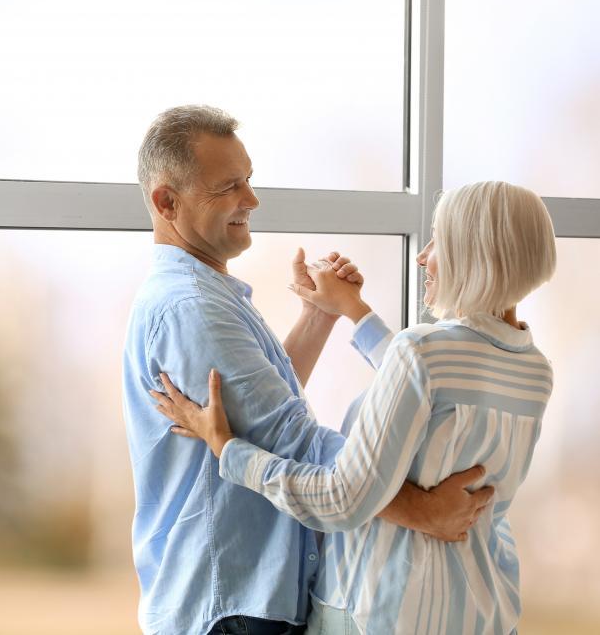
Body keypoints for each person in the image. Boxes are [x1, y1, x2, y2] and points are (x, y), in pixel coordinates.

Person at [123, 105, 492, 635]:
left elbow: (265, 415)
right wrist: (424, 511)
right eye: (228, 186)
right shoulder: (192, 309)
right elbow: (293, 442)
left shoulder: (207, 295)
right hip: (232, 605)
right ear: (167, 202)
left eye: (248, 180)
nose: (251, 199)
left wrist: (319, 316)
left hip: (242, 600)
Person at [153, 180, 556, 635]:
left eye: (438, 241)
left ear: (474, 254)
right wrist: (352, 310)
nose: (423, 257)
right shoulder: (535, 370)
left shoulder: (422, 354)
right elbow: (438, 389)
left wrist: (227, 448)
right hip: (485, 610)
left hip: (378, 611)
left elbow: (342, 500)